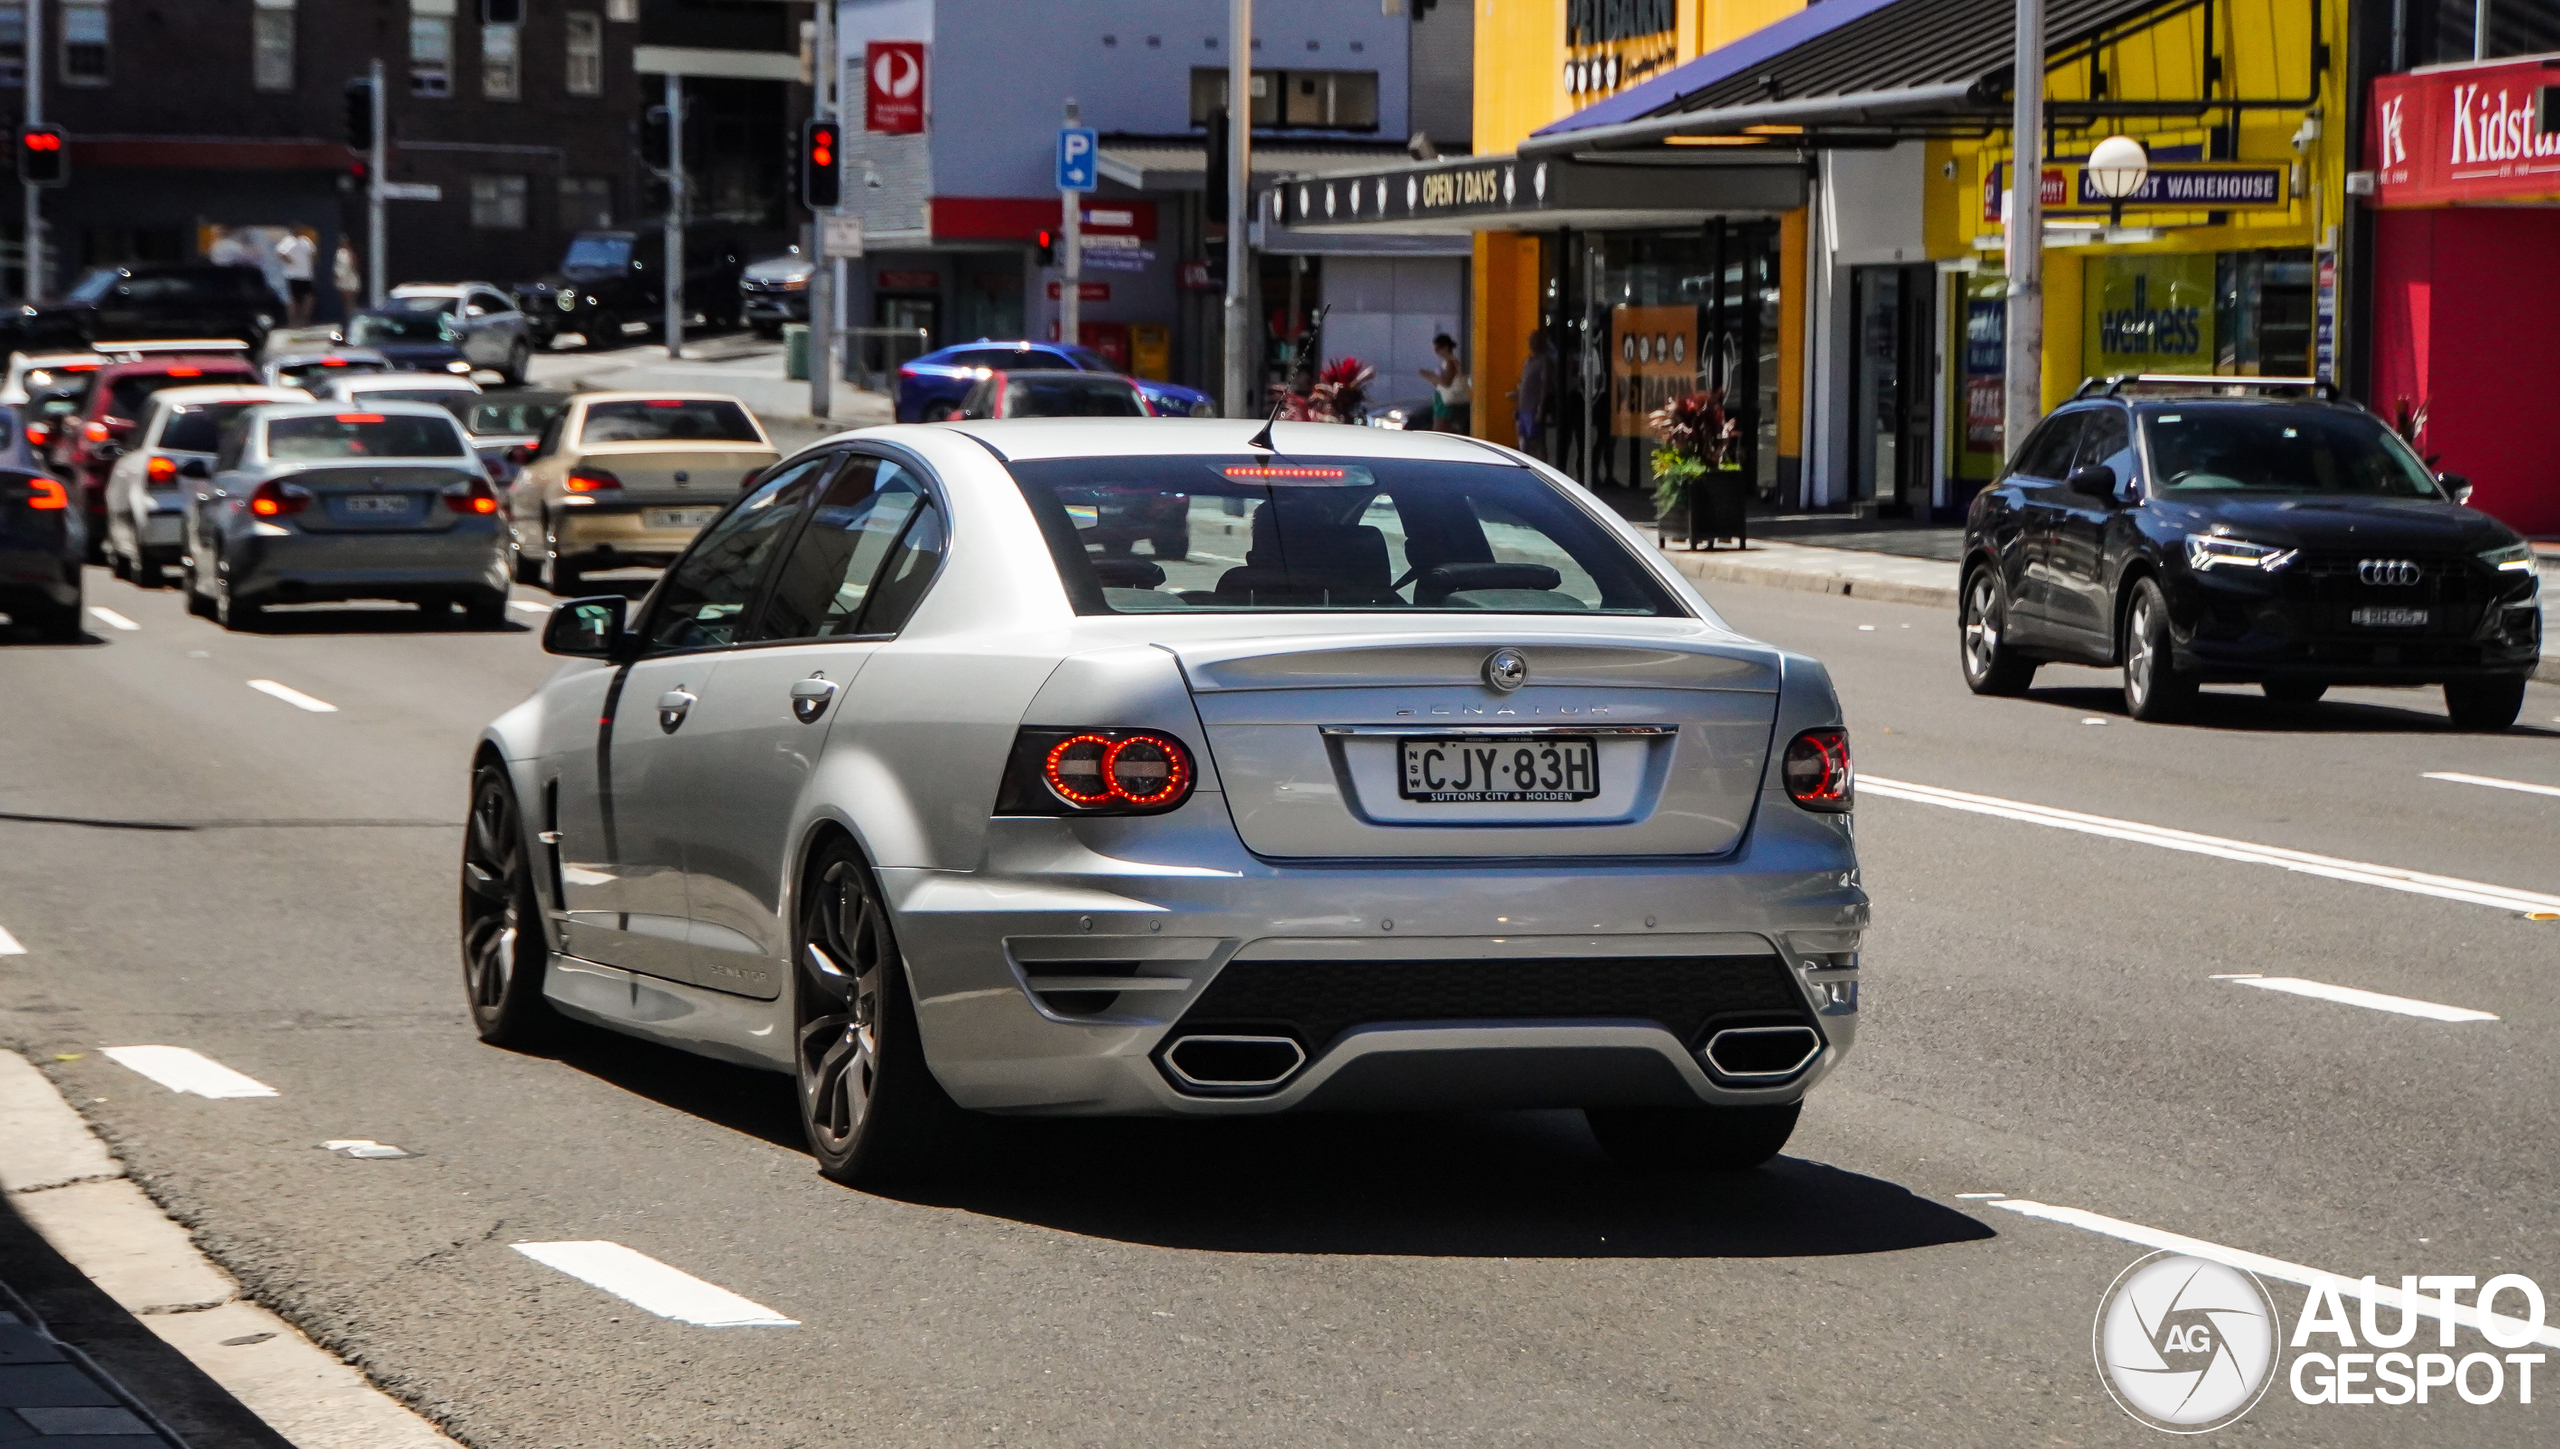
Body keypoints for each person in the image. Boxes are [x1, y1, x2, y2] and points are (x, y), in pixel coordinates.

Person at [1510, 330, 1555, 459]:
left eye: (1534, 341)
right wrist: (1517, 406)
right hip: (1523, 407)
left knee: (1537, 440)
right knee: (1524, 441)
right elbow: (1522, 383)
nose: (1531, 344)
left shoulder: (1544, 361)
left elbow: (1545, 385)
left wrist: (1540, 408)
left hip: (1533, 407)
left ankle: (1541, 466)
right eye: (1529, 341)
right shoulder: (1527, 361)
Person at [1419, 332, 1470, 434]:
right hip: (1443, 399)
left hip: (1445, 402)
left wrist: (1430, 376)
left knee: (1440, 429)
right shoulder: (1448, 362)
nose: (1436, 352)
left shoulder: (1451, 361)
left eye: (1437, 349)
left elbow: (1447, 382)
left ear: (1446, 347)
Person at [275, 229, 318, 325]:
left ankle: (304, 319)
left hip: (306, 275)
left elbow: (313, 253)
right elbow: (280, 252)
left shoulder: (305, 241)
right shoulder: (288, 241)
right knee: (293, 299)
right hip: (292, 275)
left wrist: (309, 263)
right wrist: (289, 261)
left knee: (309, 297)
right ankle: (294, 321)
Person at [333, 239, 362, 323]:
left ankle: (352, 318)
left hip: (351, 279)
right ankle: (349, 318)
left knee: (351, 301)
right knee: (346, 302)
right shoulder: (339, 253)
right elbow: (338, 267)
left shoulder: (351, 253)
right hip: (343, 279)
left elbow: (355, 266)